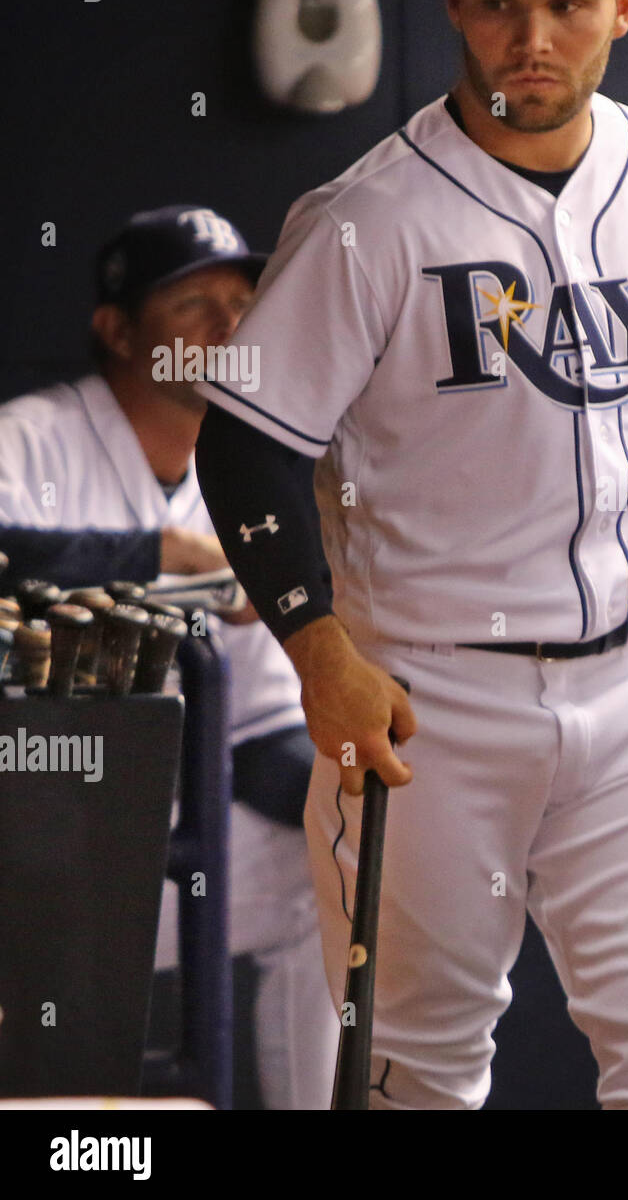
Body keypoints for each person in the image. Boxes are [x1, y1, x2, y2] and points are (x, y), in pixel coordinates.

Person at [193, 0, 628, 1110]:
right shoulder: (366, 217)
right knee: (416, 1071)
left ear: (623, 4)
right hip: (430, 696)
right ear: (453, 9)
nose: (531, 39)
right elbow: (245, 449)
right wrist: (319, 651)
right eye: (499, 5)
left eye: (563, 5)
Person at [0, 204, 339, 1109]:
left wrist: (348, 804)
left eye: (242, 301)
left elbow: (267, 740)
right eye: (193, 305)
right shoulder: (30, 437)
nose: (230, 326)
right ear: (117, 330)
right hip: (33, 839)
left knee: (340, 879)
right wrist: (156, 561)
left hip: (176, 845)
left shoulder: (268, 469)